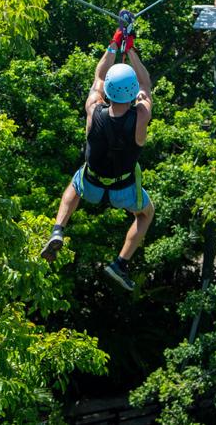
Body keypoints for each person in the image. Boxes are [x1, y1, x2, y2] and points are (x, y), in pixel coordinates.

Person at [40, 19, 155, 291]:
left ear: (109, 93)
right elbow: (146, 85)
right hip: (123, 190)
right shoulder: (141, 116)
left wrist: (114, 45)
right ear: (131, 93)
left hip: (92, 184)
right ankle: (121, 263)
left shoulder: (94, 111)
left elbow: (100, 77)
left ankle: (58, 229)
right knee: (145, 214)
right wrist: (132, 51)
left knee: (74, 185)